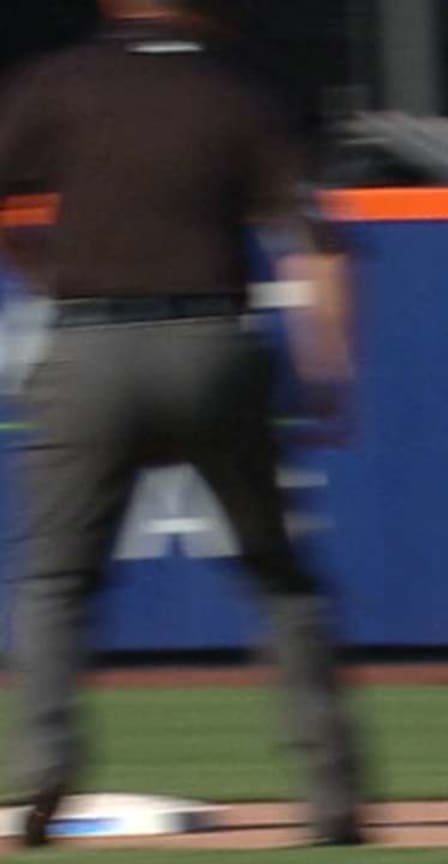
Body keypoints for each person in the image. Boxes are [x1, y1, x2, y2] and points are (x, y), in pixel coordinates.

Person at [0, 0, 364, 848]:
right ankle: (332, 793)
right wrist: (330, 367)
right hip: (211, 344)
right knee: (278, 575)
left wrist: (41, 268)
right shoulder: (237, 91)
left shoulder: (59, 80)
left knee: (57, 583)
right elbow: (314, 238)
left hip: (90, 345)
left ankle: (45, 765)